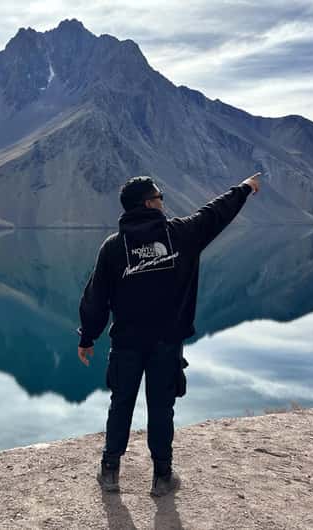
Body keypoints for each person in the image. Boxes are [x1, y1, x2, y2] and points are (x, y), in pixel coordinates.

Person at [77, 172, 261, 497]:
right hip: (166, 343)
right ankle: (162, 476)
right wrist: (244, 189)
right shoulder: (181, 234)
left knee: (121, 403)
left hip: (126, 343)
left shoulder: (113, 247)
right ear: (148, 204)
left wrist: (87, 338)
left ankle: (110, 471)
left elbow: (96, 298)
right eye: (159, 196)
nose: (163, 201)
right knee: (161, 407)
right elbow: (215, 213)